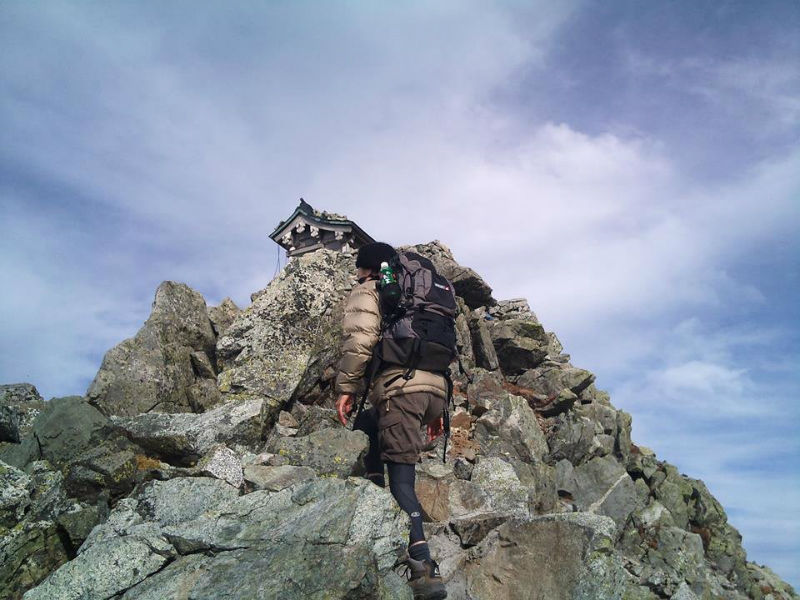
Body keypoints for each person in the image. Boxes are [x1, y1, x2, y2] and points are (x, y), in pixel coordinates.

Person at [335, 241, 449, 600]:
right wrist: (439, 409)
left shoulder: (371, 289)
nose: (356, 274)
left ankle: (423, 568)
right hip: (434, 391)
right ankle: (374, 493)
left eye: (357, 269)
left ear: (368, 268)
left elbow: (360, 339)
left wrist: (347, 388)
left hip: (402, 389)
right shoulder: (426, 297)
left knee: (403, 481)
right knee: (368, 424)